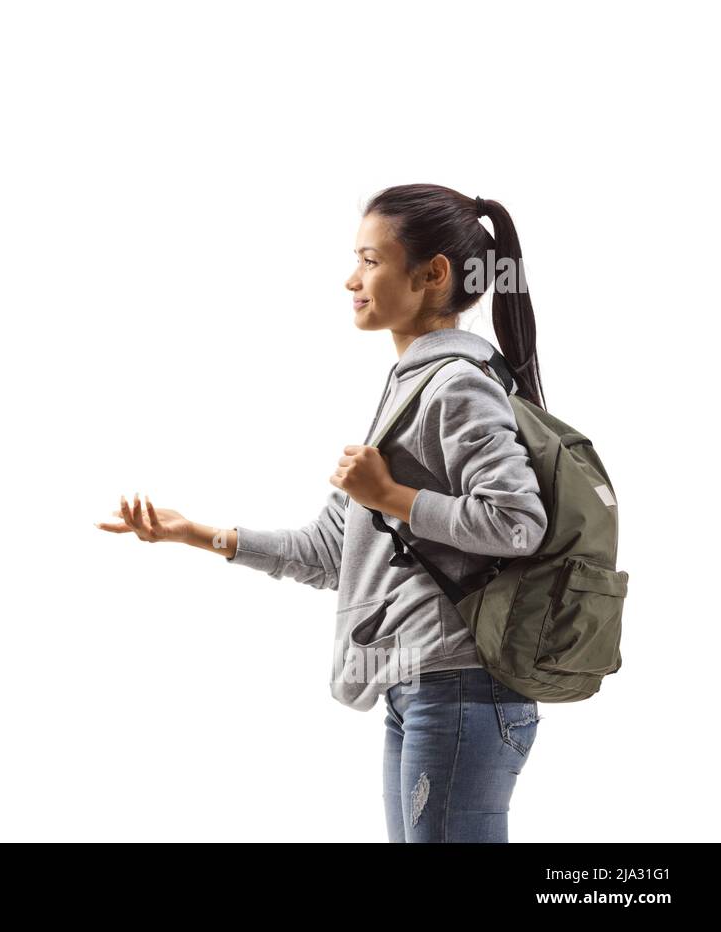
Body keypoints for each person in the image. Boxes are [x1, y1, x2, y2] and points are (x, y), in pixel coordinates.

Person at [98, 184, 547, 842]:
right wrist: (192, 533)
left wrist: (389, 496)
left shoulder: (457, 385)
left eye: (370, 260)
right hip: (424, 688)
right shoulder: (411, 390)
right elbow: (332, 555)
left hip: (459, 690)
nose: (351, 280)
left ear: (433, 275)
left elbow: (516, 523)